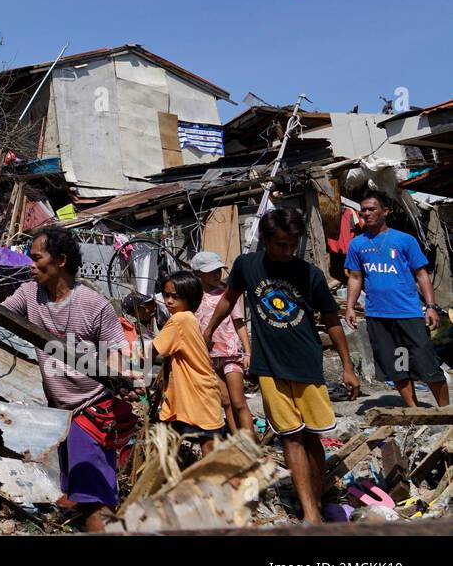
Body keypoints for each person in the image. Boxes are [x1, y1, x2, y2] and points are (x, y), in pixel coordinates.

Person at [0, 225, 134, 532]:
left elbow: (117, 352)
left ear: (60, 260)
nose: (31, 265)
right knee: (82, 492)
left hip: (92, 409)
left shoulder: (93, 304)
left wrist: (122, 376)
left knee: (95, 500)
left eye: (37, 258)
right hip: (62, 414)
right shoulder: (29, 295)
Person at [203, 208, 359, 524]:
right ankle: (311, 513)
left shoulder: (310, 274)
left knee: (313, 437)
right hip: (269, 367)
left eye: (292, 244)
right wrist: (206, 331)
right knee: (290, 437)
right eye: (281, 245)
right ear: (265, 240)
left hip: (307, 365)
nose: (287, 252)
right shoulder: (247, 266)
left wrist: (347, 366)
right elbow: (228, 300)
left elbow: (332, 321)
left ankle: (315, 497)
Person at [343, 191, 450, 407]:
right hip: (377, 316)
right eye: (363, 209)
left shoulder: (404, 240)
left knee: (426, 364)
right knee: (397, 367)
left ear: (385, 211)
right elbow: (355, 277)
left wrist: (430, 306)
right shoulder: (357, 244)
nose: (366, 213)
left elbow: (421, 275)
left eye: (372, 209)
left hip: (408, 314)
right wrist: (350, 307)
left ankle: (446, 412)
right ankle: (414, 411)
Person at [153, 271, 226, 455]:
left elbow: (152, 351)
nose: (169, 301)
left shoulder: (180, 319)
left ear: (190, 298)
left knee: (209, 451)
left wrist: (121, 353)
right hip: (193, 393)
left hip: (198, 394)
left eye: (175, 297)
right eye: (166, 295)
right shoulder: (189, 319)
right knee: (172, 442)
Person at [191, 251, 255, 435]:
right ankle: (237, 442)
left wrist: (248, 352)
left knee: (238, 401)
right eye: (211, 271)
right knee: (225, 401)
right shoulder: (194, 298)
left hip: (231, 355)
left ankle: (252, 445)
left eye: (218, 270)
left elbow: (239, 323)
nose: (216, 274)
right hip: (208, 358)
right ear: (198, 274)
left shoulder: (228, 294)